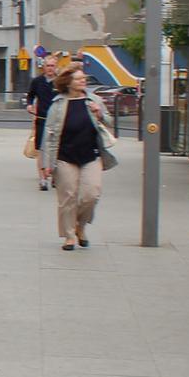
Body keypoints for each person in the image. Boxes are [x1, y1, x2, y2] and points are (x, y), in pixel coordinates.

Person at [38, 63, 112, 251]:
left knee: (91, 194)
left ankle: (81, 225)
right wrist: (47, 164)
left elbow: (110, 121)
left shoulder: (93, 99)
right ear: (68, 82)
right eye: (79, 79)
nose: (83, 81)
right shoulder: (58, 104)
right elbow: (49, 135)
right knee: (67, 196)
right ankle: (70, 236)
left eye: (84, 78)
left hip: (91, 154)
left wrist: (99, 113)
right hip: (65, 156)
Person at [24, 54, 59, 190]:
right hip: (42, 119)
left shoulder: (60, 82)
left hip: (57, 121)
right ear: (43, 67)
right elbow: (31, 95)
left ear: (56, 67)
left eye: (53, 66)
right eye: (48, 66)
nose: (50, 68)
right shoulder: (37, 81)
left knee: (57, 150)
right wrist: (29, 105)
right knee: (41, 150)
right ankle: (42, 179)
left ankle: (55, 177)